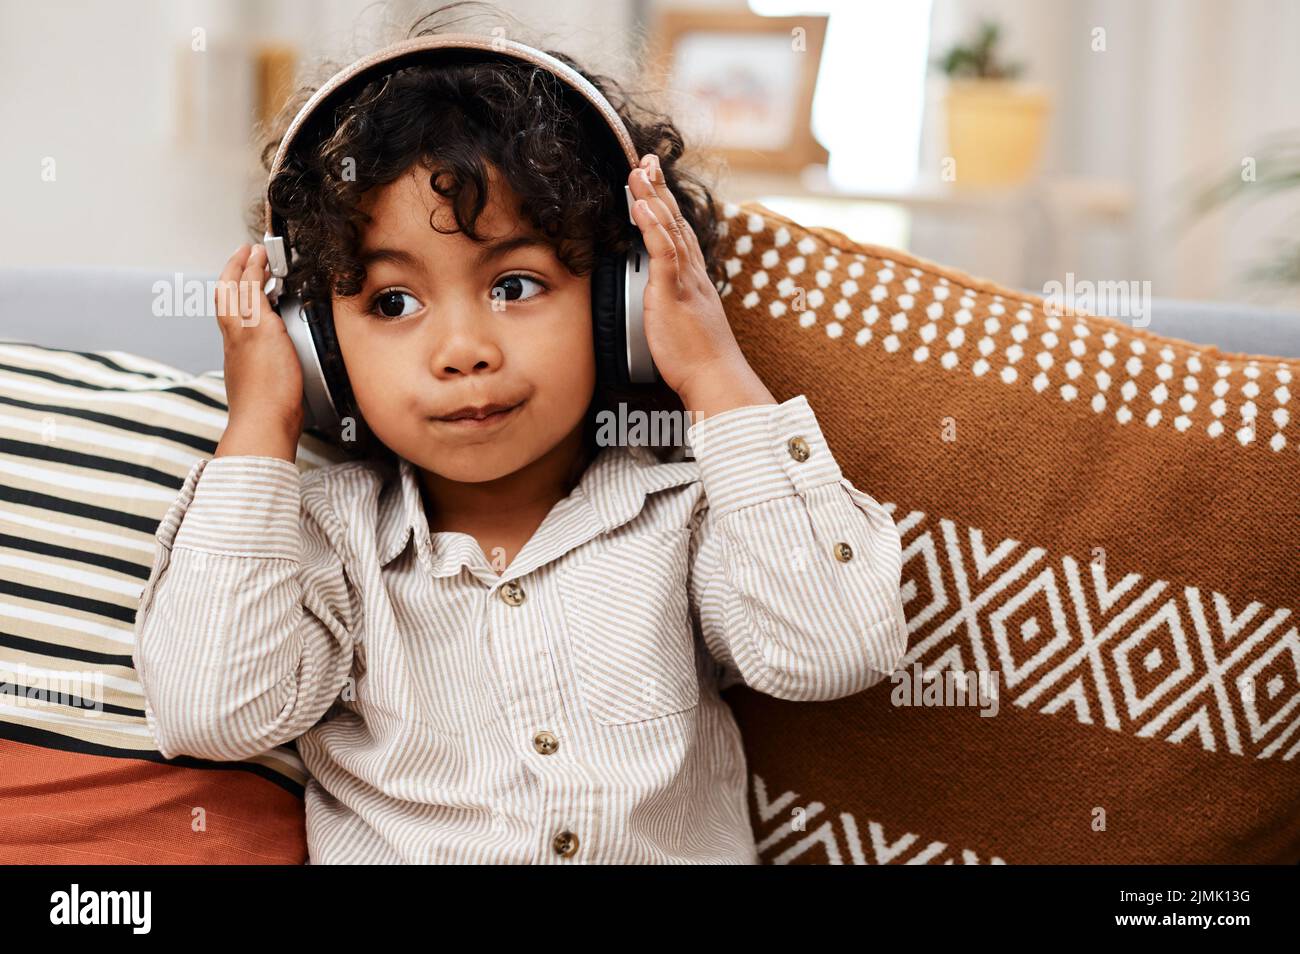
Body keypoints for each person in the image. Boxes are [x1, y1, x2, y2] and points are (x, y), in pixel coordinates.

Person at [132, 3, 909, 864]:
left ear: (622, 306)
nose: (464, 351)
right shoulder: (328, 544)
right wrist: (259, 426)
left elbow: (835, 646)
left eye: (515, 285)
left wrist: (715, 372)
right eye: (393, 303)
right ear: (319, 348)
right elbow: (210, 708)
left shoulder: (684, 516)